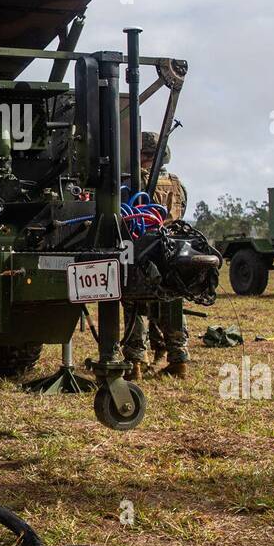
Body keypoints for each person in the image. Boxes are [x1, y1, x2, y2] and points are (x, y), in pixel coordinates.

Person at [122, 131, 191, 380]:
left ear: (143, 154)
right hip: (173, 252)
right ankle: (179, 360)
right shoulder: (176, 182)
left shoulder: (135, 182)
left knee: (134, 303)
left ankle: (135, 363)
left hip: (145, 250)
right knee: (172, 302)